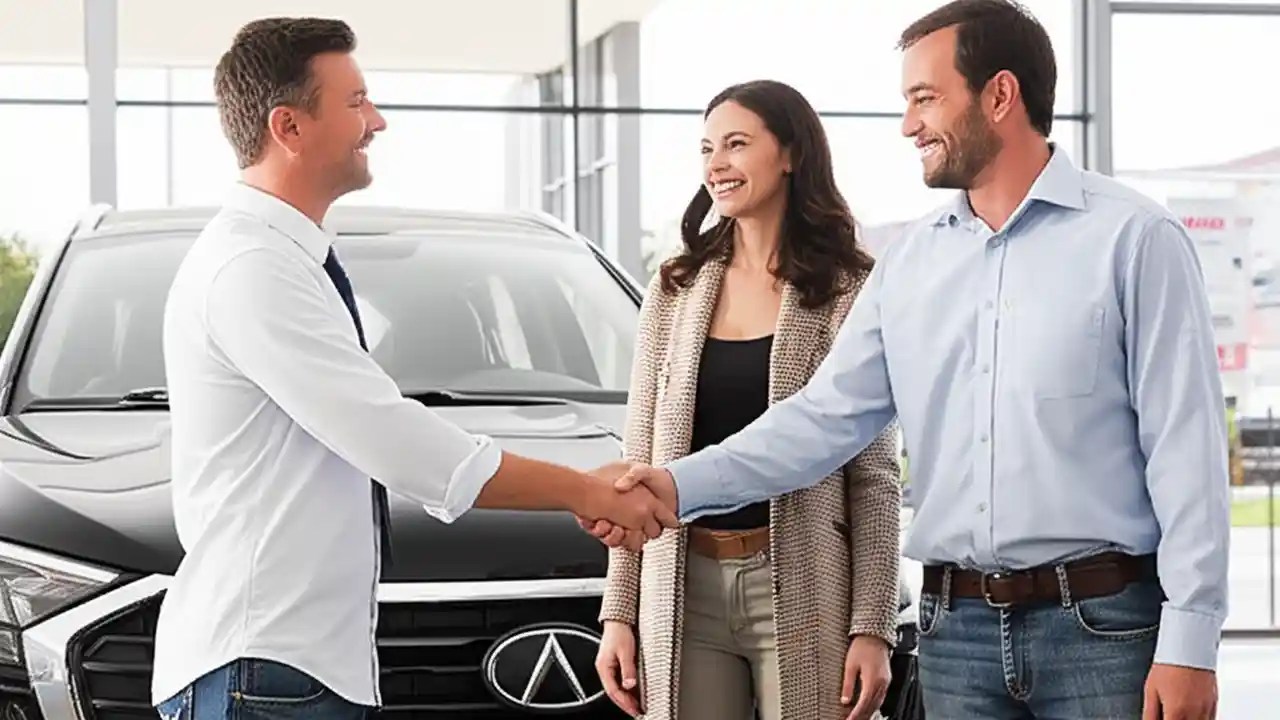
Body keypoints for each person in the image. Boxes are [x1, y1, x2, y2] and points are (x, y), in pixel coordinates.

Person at [588, 2, 1230, 719]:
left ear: (999, 95)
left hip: (1102, 631)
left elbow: (1186, 452)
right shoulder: (911, 265)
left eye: (925, 98)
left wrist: (1191, 641)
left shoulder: (1136, 240)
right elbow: (821, 422)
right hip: (957, 637)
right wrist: (675, 487)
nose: (908, 124)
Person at [152, 17, 674, 720]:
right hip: (264, 670)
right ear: (290, 127)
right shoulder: (253, 269)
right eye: (356, 102)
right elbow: (396, 441)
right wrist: (586, 490)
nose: (378, 122)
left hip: (293, 665)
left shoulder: (281, 260)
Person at [588, 80, 903, 720]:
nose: (716, 165)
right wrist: (619, 610)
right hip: (681, 582)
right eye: (707, 149)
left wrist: (873, 623)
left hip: (807, 584)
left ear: (790, 154)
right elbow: (639, 457)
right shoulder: (676, 286)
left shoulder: (851, 288)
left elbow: (874, 478)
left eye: (736, 144)